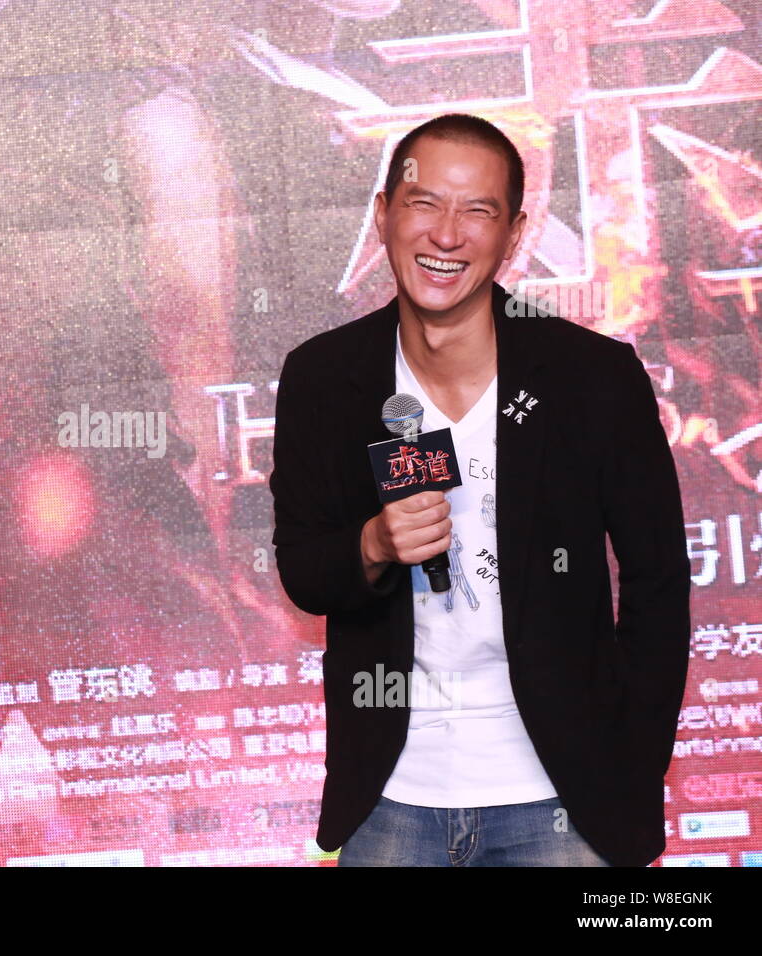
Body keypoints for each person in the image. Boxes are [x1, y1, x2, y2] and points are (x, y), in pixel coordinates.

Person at [269, 113, 691, 867]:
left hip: (561, 802)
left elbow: (659, 586)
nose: (446, 235)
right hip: (392, 800)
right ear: (382, 215)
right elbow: (304, 571)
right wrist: (374, 543)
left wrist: (630, 768)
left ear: (515, 233)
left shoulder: (592, 379)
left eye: (478, 211)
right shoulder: (325, 378)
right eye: (423, 204)